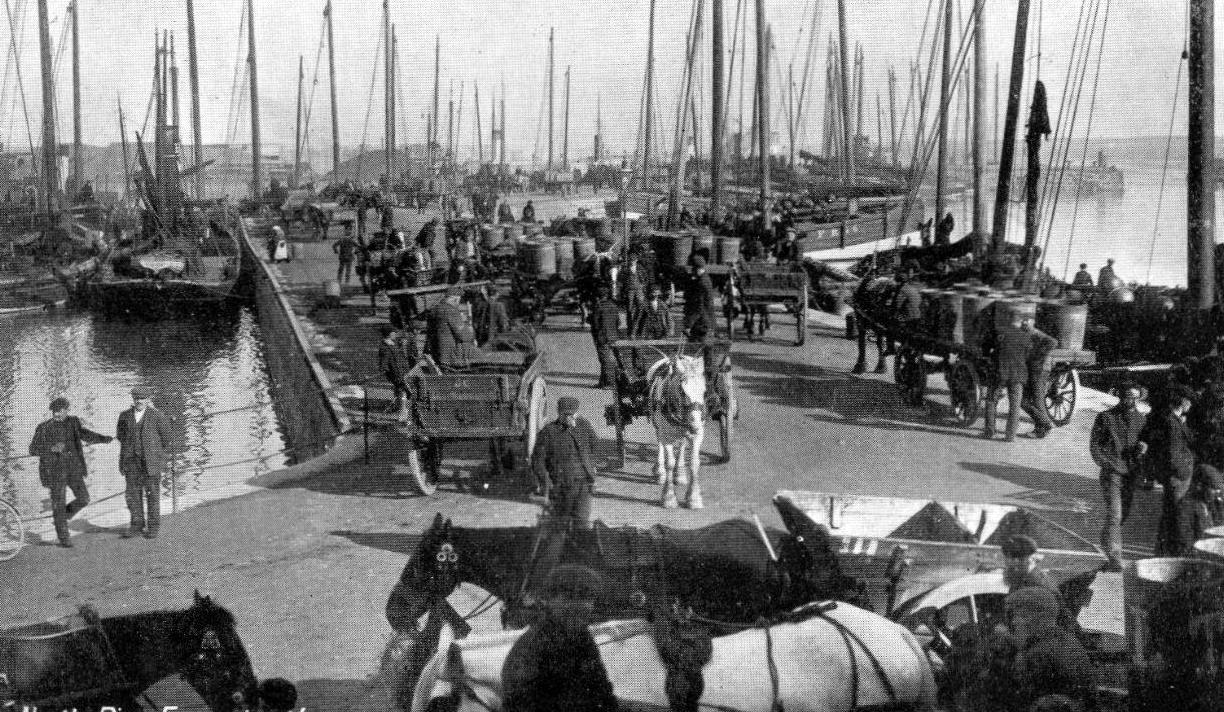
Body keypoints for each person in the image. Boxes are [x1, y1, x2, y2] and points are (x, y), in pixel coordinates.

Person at [502, 565, 617, 712]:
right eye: (569, 597)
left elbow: (602, 692)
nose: (578, 606)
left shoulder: (582, 639)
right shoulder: (534, 645)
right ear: (549, 600)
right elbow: (520, 703)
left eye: (585, 598)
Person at [28, 397, 113, 547]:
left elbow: (85, 434)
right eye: (60, 410)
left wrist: (103, 439)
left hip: (74, 470)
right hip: (55, 473)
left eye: (64, 410)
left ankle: (62, 516)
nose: (63, 413)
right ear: (55, 411)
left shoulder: (73, 422)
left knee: (84, 498)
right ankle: (64, 537)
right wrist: (52, 448)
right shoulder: (44, 428)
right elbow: (33, 449)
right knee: (58, 504)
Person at [1089, 381, 1148, 570]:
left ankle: (1106, 541)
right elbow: (1095, 445)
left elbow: (1147, 445)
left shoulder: (1142, 420)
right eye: (1127, 397)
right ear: (1120, 397)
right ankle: (1115, 559)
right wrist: (1106, 464)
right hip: (1112, 473)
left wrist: (1143, 449)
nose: (1131, 401)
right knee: (1115, 515)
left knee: (1122, 517)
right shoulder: (1106, 417)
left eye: (1135, 397)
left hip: (1131, 474)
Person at [1141, 384, 1198, 556]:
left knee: (1169, 517)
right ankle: (1171, 554)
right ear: (1182, 401)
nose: (1190, 405)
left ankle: (1160, 553)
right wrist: (1183, 471)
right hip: (1177, 477)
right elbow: (1172, 454)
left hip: (1175, 476)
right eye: (1189, 401)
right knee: (1175, 517)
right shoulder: (1171, 422)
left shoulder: (1174, 419)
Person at [116, 386, 172, 539]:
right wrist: (123, 461)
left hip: (150, 464)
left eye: (142, 398)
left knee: (152, 495)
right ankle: (136, 525)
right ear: (133, 399)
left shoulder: (157, 416)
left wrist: (154, 454)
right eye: (136, 398)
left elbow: (166, 438)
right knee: (133, 495)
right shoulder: (124, 416)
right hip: (131, 463)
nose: (139, 401)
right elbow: (121, 438)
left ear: (148, 400)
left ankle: (153, 527)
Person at [982, 313, 1036, 442]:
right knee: (1015, 406)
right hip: (1018, 375)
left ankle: (989, 432)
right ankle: (1010, 435)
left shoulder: (1000, 333)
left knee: (991, 401)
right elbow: (1028, 355)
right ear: (1020, 322)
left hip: (1000, 373)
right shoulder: (1026, 336)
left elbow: (987, 348)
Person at [1020, 317, 1059, 439]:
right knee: (1024, 401)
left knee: (1037, 401)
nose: (1023, 325)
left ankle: (1043, 427)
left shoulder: (1034, 333)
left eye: (1025, 324)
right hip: (1034, 371)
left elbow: (1053, 342)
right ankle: (1043, 424)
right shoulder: (1026, 335)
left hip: (1039, 371)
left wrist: (1038, 357)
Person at [424, 285, 476, 369]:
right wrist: (469, 327)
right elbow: (465, 336)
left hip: (436, 356)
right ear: (455, 299)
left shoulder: (434, 310)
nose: (458, 303)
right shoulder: (451, 311)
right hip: (450, 360)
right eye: (459, 300)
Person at [378, 324, 416, 424]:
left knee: (401, 393)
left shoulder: (391, 344)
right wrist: (388, 373)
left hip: (402, 373)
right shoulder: (385, 348)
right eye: (393, 332)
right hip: (398, 375)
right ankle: (403, 417)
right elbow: (383, 364)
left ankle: (400, 412)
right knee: (405, 394)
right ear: (389, 334)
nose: (395, 334)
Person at [590, 287, 621, 389]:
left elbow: (595, 324)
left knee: (606, 360)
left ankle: (609, 383)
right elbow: (618, 322)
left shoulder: (598, 307)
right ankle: (603, 382)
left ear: (598, 296)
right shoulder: (614, 306)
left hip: (602, 337)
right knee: (608, 358)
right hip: (613, 337)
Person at [683, 255, 718, 342]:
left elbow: (699, 307)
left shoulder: (702, 283)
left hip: (701, 324)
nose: (692, 272)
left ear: (697, 269)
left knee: (697, 348)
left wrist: (688, 325)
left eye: (693, 269)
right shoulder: (705, 278)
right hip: (706, 321)